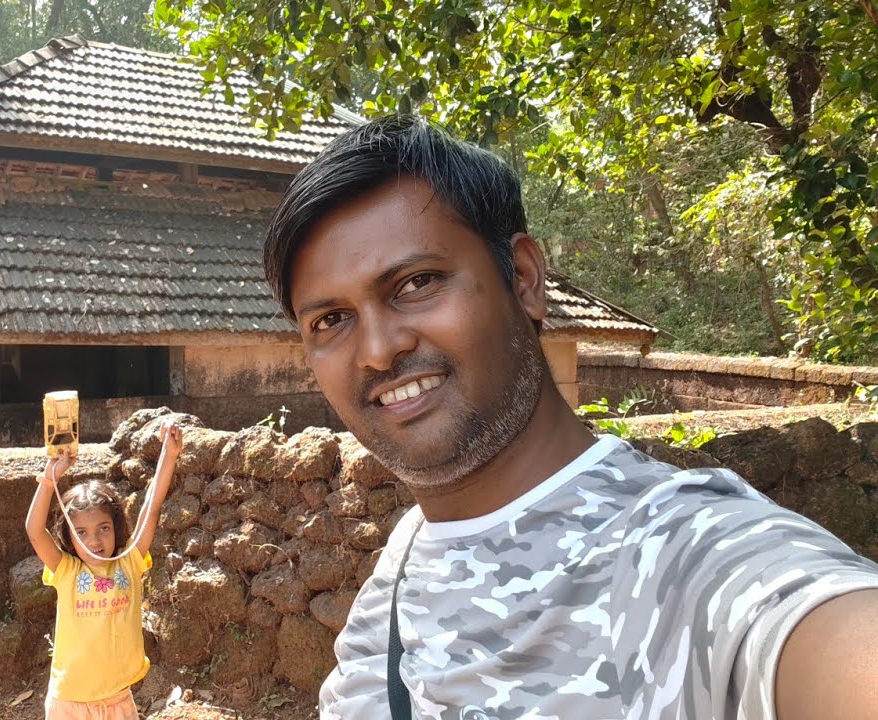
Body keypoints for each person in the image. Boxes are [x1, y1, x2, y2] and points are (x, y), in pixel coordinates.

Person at [263, 114, 878, 719]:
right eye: (331, 320)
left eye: (418, 282)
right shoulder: (404, 560)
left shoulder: (690, 557)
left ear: (525, 278)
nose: (377, 350)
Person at [25, 422, 184, 720]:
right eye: (81, 532)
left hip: (118, 701)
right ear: (69, 538)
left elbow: (151, 507)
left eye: (103, 528)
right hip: (69, 705)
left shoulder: (130, 560)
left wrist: (169, 454)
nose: (94, 540)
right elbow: (34, 531)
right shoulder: (66, 570)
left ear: (117, 528)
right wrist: (49, 480)